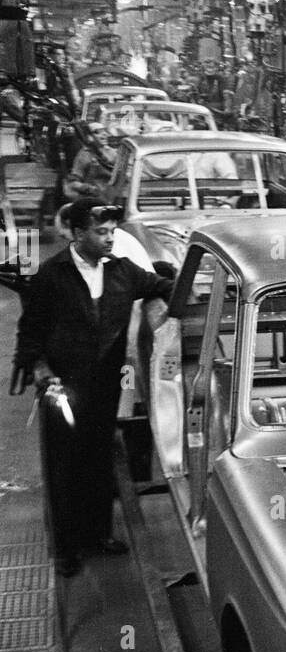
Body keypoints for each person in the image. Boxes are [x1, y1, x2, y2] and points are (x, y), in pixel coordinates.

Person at [14, 198, 174, 577]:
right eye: (100, 232)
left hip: (104, 385)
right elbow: (30, 330)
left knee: (98, 459)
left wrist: (189, 300)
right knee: (64, 466)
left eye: (112, 232)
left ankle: (99, 533)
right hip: (63, 388)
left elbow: (162, 284)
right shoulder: (53, 275)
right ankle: (67, 548)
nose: (109, 239)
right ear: (79, 233)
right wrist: (39, 369)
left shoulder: (122, 271)